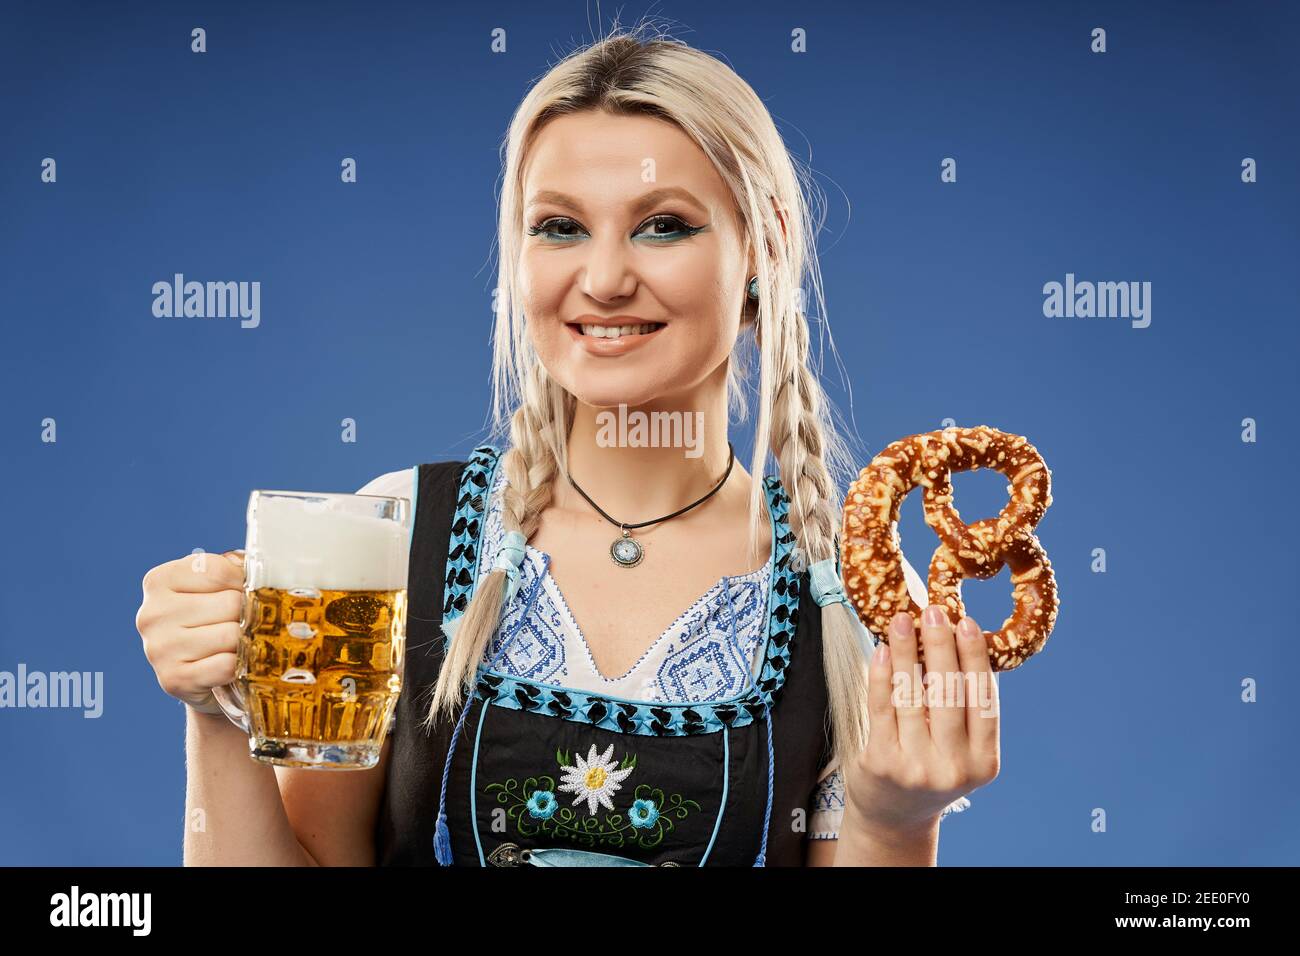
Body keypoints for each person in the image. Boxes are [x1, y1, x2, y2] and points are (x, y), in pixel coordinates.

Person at [136, 21, 997, 867]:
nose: (606, 278)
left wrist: (895, 820)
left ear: (763, 246)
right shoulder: (390, 534)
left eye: (664, 224)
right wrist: (213, 709)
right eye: (560, 227)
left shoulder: (851, 601)